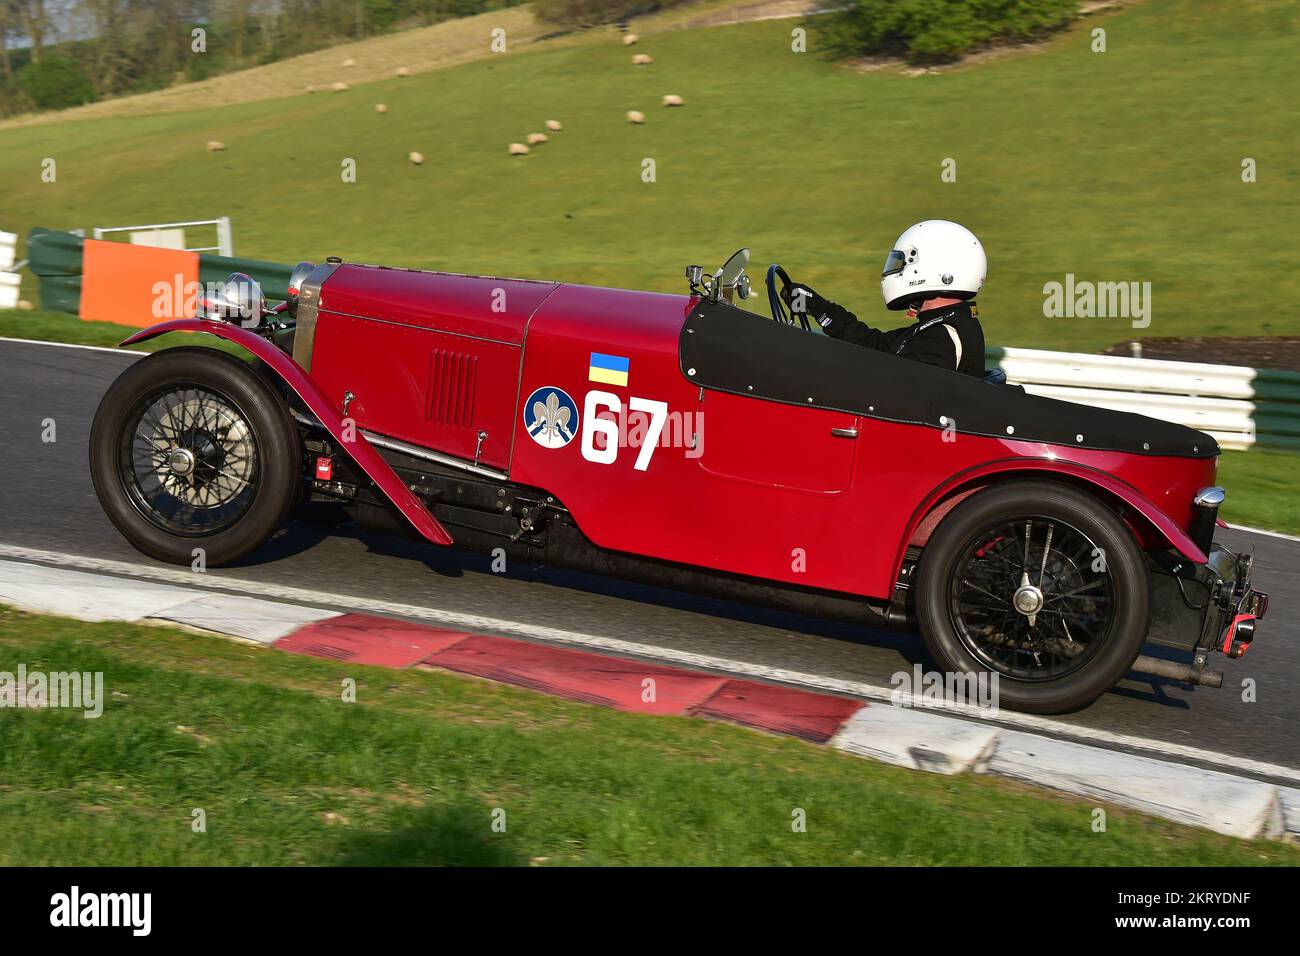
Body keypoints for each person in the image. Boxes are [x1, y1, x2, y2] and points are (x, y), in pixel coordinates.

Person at [783, 220, 988, 377]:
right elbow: (876, 345)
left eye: (900, 263)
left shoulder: (941, 337)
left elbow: (901, 396)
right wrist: (821, 309)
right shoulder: (943, 324)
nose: (894, 271)